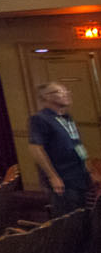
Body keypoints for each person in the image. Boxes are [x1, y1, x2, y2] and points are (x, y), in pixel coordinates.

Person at [28, 81, 98, 216]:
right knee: (68, 218)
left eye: (66, 91)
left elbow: (77, 145)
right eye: (60, 92)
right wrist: (53, 176)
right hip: (62, 176)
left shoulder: (66, 117)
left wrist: (89, 169)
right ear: (47, 97)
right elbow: (36, 148)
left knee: (83, 214)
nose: (66, 94)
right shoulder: (39, 119)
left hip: (78, 174)